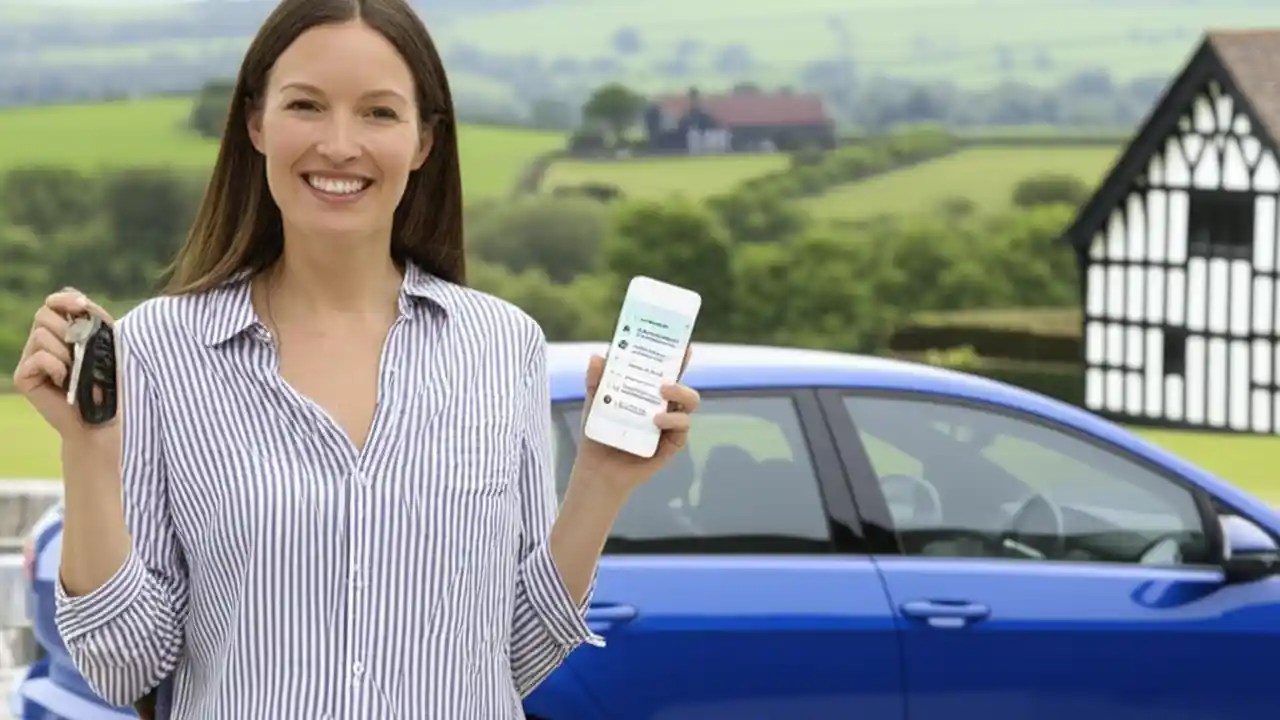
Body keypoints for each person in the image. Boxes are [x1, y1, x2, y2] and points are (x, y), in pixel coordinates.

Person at [10, 0, 700, 717]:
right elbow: (125, 666)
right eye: (306, 105)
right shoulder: (157, 350)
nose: (340, 145)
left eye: (378, 113)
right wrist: (88, 448)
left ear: (425, 140)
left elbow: (515, 655)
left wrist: (601, 480)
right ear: (256, 123)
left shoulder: (504, 347)